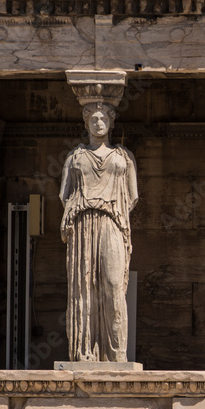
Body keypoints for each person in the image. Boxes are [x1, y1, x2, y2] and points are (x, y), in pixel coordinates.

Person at [60, 101, 138, 362]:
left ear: (111, 121)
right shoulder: (75, 157)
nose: (98, 122)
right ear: (86, 123)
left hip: (113, 222)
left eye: (103, 117)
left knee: (114, 284)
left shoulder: (123, 157)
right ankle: (85, 353)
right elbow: (65, 194)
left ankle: (117, 354)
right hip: (83, 225)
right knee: (84, 286)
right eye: (93, 118)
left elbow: (133, 196)